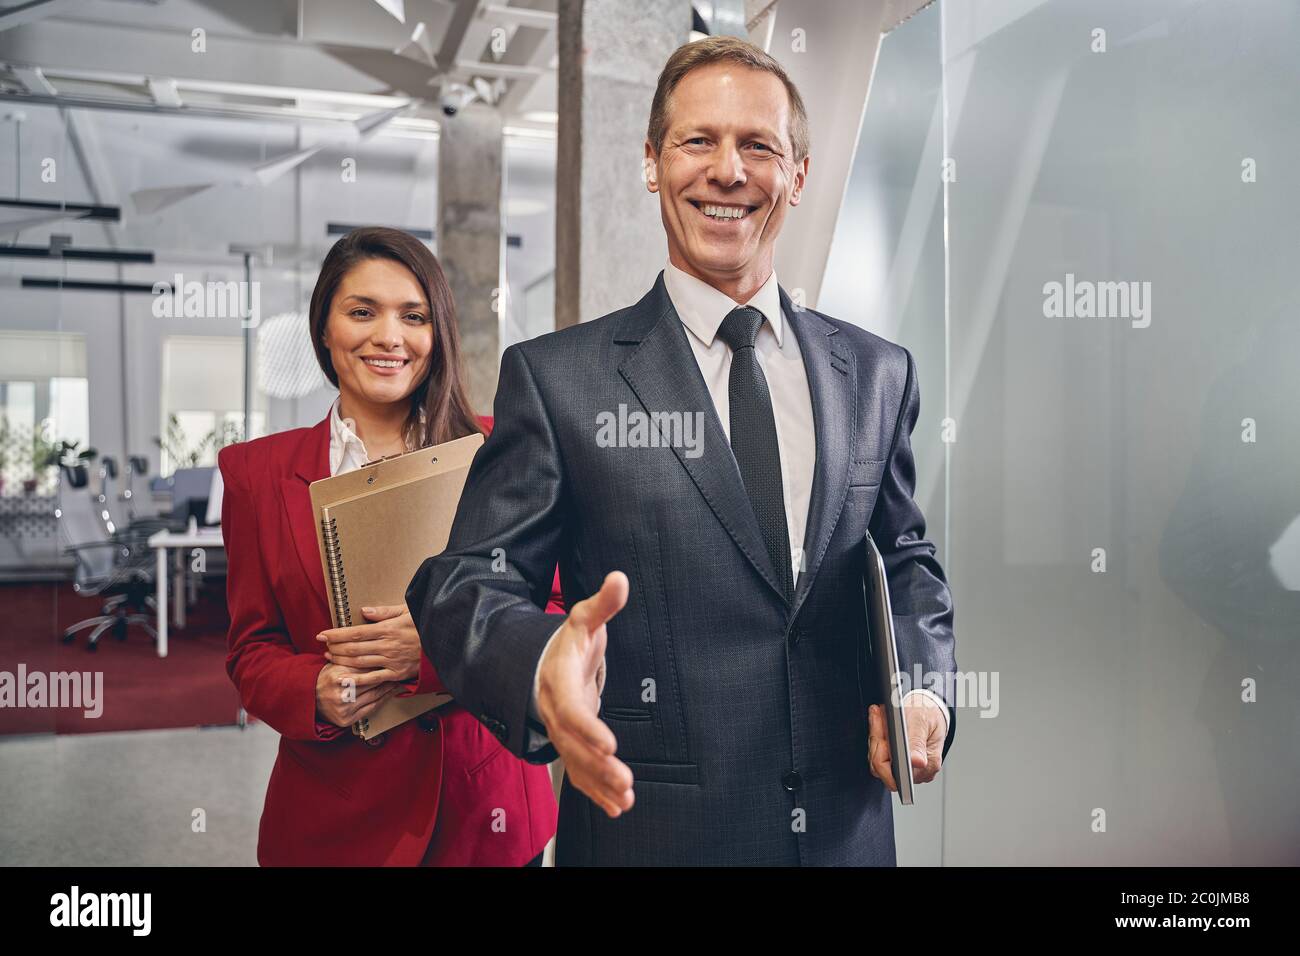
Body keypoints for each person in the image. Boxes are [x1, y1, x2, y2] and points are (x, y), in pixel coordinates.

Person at [408, 36, 957, 865]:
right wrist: (539, 664)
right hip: (652, 835)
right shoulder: (561, 382)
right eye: (697, 141)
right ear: (653, 164)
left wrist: (922, 688)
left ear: (798, 176)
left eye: (758, 146)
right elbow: (461, 582)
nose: (728, 171)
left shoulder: (878, 373)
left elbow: (905, 558)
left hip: (846, 833)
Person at [220, 227, 559, 866]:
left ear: (439, 334)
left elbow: (554, 613)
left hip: (482, 805)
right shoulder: (257, 475)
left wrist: (436, 647)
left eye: (414, 316)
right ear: (323, 327)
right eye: (361, 312)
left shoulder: (497, 452)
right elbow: (250, 651)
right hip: (336, 814)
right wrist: (315, 690)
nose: (389, 337)